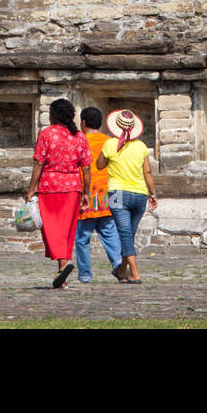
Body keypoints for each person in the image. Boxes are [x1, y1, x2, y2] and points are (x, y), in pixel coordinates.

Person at [27, 98, 91, 288]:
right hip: (73, 186)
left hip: (50, 185)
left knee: (50, 228)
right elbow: (86, 168)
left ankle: (63, 265)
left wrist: (31, 189)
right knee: (67, 228)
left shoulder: (47, 134)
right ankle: (62, 266)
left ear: (54, 115)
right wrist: (86, 192)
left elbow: (39, 162)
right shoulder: (80, 136)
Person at [97, 108, 158, 283]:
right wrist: (152, 193)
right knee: (128, 234)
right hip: (139, 194)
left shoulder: (110, 144)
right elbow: (148, 172)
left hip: (117, 193)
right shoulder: (141, 146)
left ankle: (135, 273)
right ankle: (121, 271)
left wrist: (110, 155)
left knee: (124, 234)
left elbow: (100, 165)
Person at [74, 107, 124, 284]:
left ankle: (85, 274)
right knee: (110, 232)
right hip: (108, 193)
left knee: (82, 238)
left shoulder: (79, 141)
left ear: (83, 122)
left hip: (86, 194)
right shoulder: (109, 141)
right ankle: (118, 263)